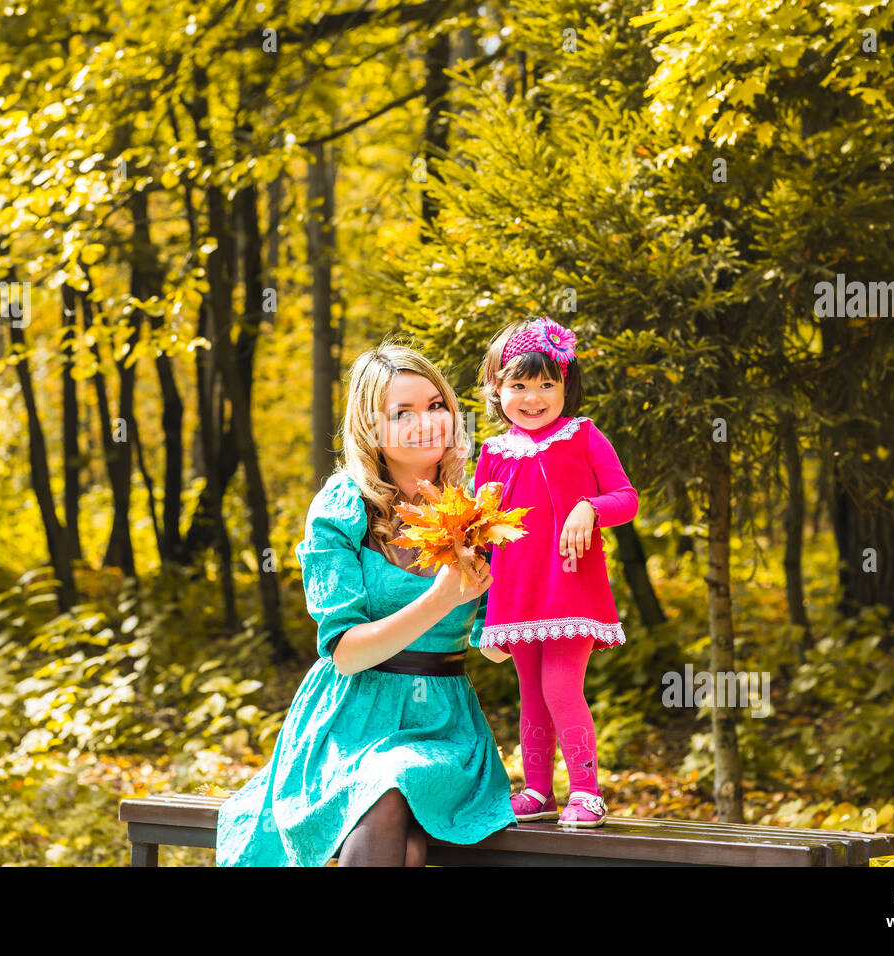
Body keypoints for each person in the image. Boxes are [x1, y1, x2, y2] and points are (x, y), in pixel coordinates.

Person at [214, 343, 516, 866]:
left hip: (441, 722)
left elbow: (495, 647)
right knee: (401, 828)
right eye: (403, 413)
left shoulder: (478, 507)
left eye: (436, 404)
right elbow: (346, 653)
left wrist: (546, 597)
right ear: (371, 428)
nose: (428, 422)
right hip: (348, 717)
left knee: (395, 780)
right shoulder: (343, 505)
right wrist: (442, 597)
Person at [470, 317, 639, 827]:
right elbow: (484, 530)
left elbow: (625, 499)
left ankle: (586, 790)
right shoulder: (494, 453)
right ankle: (538, 790)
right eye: (519, 385)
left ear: (566, 385)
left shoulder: (584, 436)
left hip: (569, 589)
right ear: (497, 389)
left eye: (547, 383)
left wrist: (589, 507)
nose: (533, 396)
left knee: (562, 687)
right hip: (515, 595)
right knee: (531, 694)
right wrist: (481, 609)